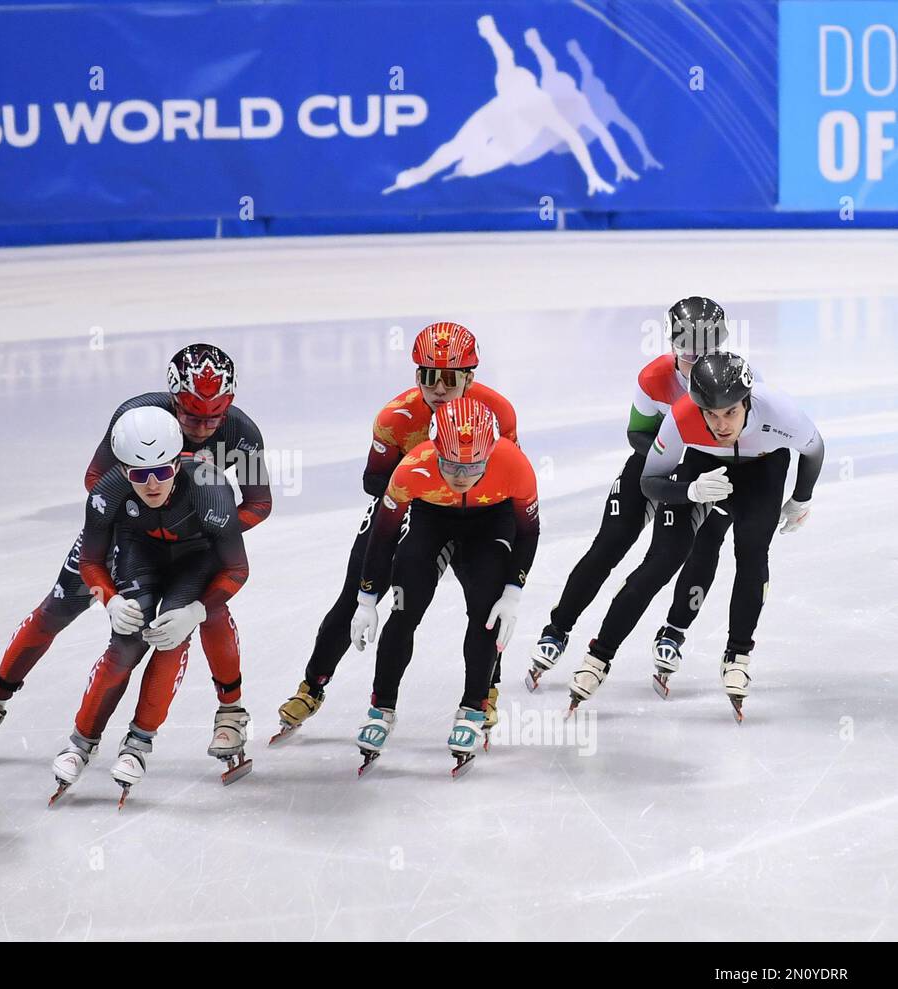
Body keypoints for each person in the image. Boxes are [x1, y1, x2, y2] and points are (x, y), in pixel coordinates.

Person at [0, 344, 270, 762]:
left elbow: (258, 504)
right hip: (128, 531)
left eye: (216, 416)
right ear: (173, 401)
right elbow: (96, 481)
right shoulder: (136, 418)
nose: (205, 426)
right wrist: (134, 524)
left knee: (209, 610)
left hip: (191, 538)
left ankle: (230, 712)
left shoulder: (241, 435)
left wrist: (212, 527)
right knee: (59, 606)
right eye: (192, 416)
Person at [274, 321, 518, 741]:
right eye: (427, 376)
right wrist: (420, 483)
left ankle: (485, 690)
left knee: (487, 602)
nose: (438, 388)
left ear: (470, 378)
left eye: (449, 378)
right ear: (415, 375)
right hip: (414, 506)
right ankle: (312, 685)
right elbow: (374, 483)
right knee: (356, 594)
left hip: (476, 512)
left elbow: (506, 479)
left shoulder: (497, 413)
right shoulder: (395, 418)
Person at [566, 352, 824, 721]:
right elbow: (648, 482)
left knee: (752, 552)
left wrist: (801, 499)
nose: (721, 424)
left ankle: (738, 654)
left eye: (731, 413)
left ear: (748, 401)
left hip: (762, 473)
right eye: (711, 414)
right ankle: (599, 655)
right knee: (663, 559)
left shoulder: (780, 411)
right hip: (702, 470)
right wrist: (688, 491)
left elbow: (814, 451)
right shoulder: (682, 416)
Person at [527, 297, 738, 694]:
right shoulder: (655, 378)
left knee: (700, 545)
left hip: (705, 472)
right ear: (674, 347)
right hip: (654, 463)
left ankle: (674, 630)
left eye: (708, 351)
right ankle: (558, 628)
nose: (698, 362)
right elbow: (635, 434)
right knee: (609, 544)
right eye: (688, 353)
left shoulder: (738, 377)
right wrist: (672, 455)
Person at [47, 407, 250, 804]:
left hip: (195, 561)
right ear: (123, 470)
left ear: (179, 460)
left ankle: (139, 743)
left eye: (163, 470)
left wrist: (196, 611)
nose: (153, 483)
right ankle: (80, 742)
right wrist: (108, 599)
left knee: (171, 638)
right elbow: (90, 561)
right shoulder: (106, 492)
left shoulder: (211, 486)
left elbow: (237, 568)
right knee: (125, 642)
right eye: (139, 474)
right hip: (140, 556)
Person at [349, 397, 539, 774]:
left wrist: (513, 592)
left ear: (491, 453)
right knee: (403, 611)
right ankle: (381, 706)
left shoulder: (514, 464)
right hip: (431, 519)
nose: (462, 476)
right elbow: (383, 535)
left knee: (487, 612)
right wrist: (366, 598)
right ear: (434, 449)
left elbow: (528, 531)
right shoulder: (412, 467)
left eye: (473, 466)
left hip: (490, 522)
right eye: (451, 464)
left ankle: (473, 706)